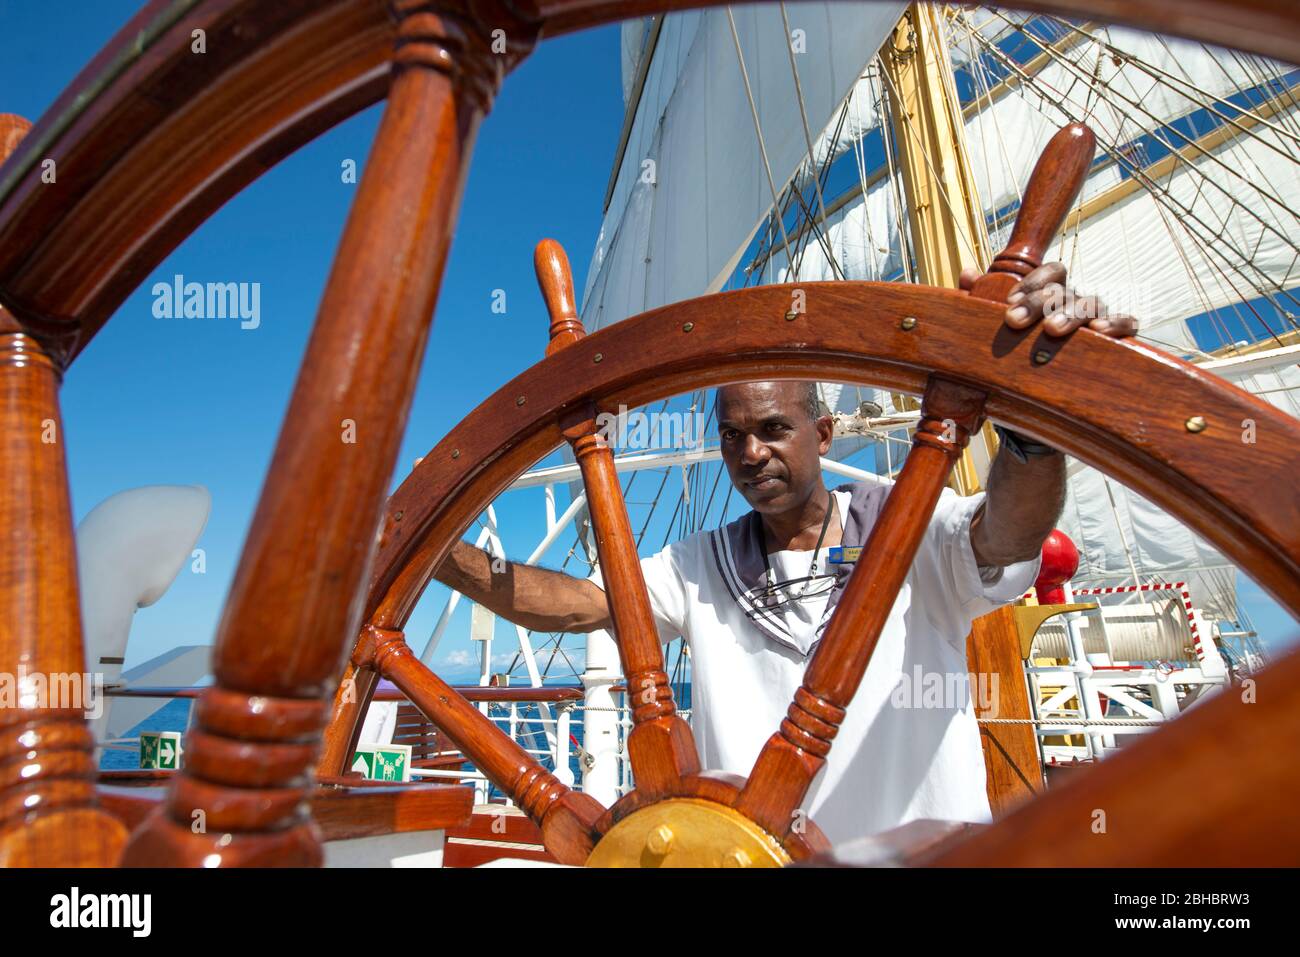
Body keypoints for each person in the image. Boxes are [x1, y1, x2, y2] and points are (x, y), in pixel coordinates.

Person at [433, 264, 1135, 844]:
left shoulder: (911, 525)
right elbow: (573, 605)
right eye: (732, 435)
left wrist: (1031, 432)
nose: (749, 452)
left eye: (772, 428)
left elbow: (1007, 535)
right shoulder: (698, 566)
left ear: (824, 433)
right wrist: (440, 553)